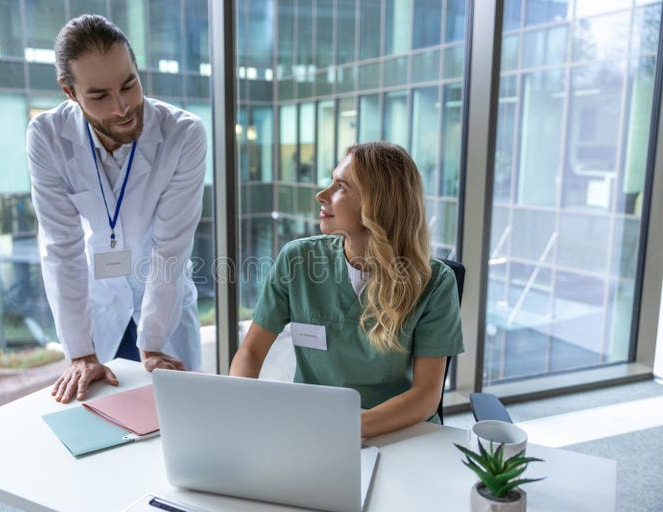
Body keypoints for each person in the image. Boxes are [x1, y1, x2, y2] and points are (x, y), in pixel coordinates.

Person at [26, 15, 205, 403]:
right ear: (69, 92)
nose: (123, 107)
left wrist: (154, 343)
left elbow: (171, 247)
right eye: (100, 96)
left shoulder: (184, 134)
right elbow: (61, 247)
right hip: (97, 308)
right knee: (103, 424)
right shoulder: (47, 138)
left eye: (129, 84)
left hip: (163, 302)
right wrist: (81, 352)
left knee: (176, 423)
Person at [230, 142, 463, 438]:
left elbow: (426, 394)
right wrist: (237, 401)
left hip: (400, 435)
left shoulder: (435, 283)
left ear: (379, 204)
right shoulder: (297, 261)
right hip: (313, 429)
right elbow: (250, 351)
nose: (321, 195)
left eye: (340, 186)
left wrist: (346, 428)